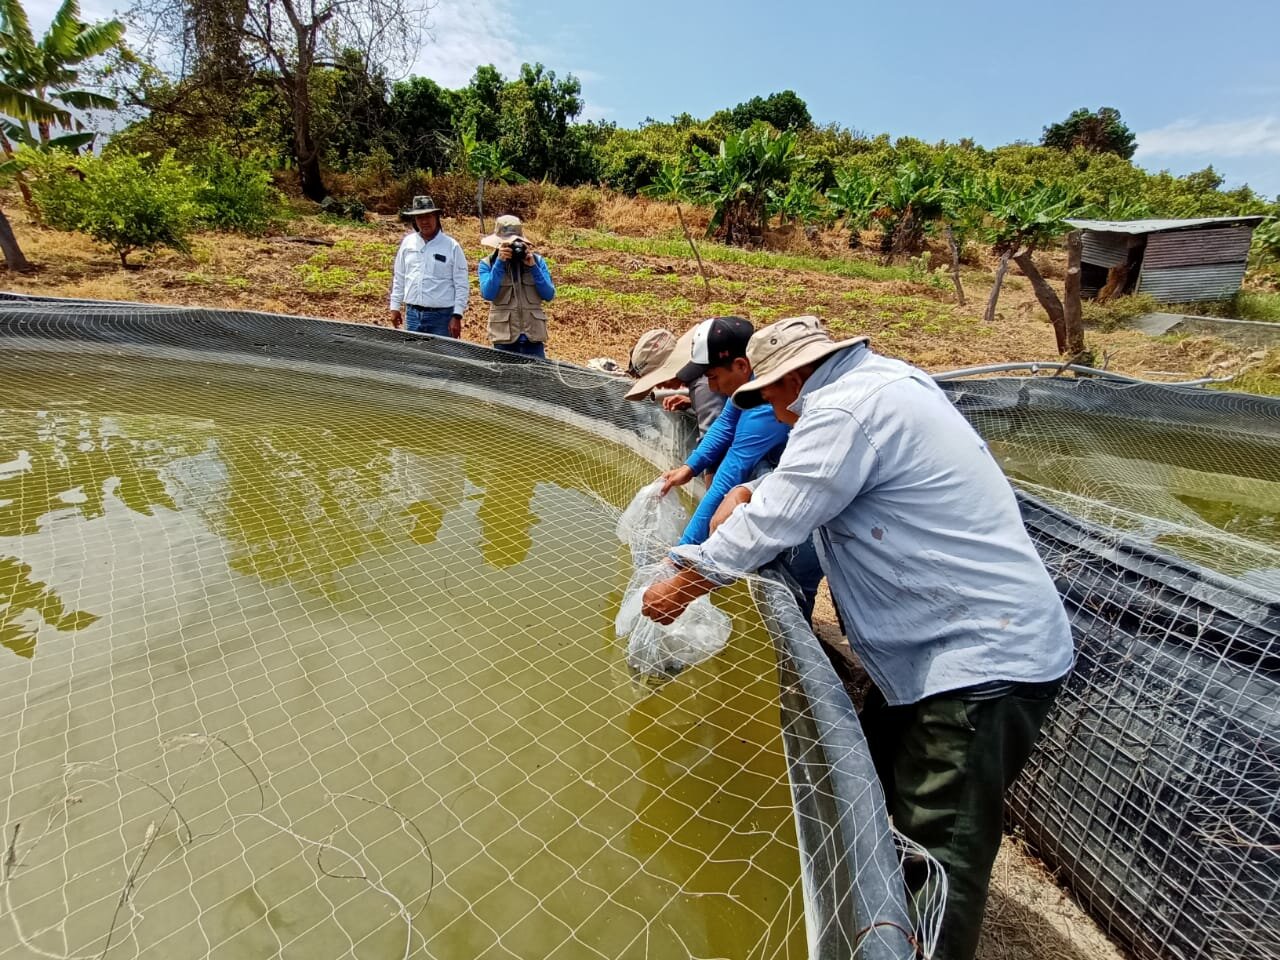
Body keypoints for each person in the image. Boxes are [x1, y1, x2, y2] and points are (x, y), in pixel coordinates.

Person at [640, 315, 1074, 960]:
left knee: (942, 849)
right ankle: (871, 914)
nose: (774, 413)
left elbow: (781, 518)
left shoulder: (844, 407)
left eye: (769, 395)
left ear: (794, 379)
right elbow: (821, 480)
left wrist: (684, 580)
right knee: (874, 788)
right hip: (943, 652)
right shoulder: (882, 384)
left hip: (978, 661)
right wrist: (753, 487)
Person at [654, 316, 822, 621]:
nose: (711, 387)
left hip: (815, 506)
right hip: (788, 480)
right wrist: (690, 468)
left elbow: (731, 473)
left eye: (714, 376)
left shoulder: (767, 401)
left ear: (742, 366)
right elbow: (725, 423)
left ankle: (801, 636)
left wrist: (680, 556)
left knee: (797, 583)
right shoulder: (750, 384)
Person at [388, 195, 468, 337]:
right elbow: (399, 277)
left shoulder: (451, 246)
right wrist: (395, 307)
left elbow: (461, 284)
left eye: (428, 216)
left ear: (436, 217)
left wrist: (457, 315)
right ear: (415, 220)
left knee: (441, 352)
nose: (424, 221)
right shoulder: (408, 243)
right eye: (420, 217)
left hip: (442, 318)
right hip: (412, 316)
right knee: (413, 351)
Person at [624, 327, 725, 438]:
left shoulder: (703, 385)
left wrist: (701, 399)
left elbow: (715, 442)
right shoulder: (701, 376)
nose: (659, 386)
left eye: (658, 378)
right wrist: (694, 402)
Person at [478, 215, 556, 359]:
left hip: (533, 336)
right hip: (504, 337)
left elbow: (549, 294)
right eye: (507, 244)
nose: (512, 247)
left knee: (536, 374)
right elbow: (488, 293)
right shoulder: (487, 263)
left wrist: (533, 267)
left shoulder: (537, 261)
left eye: (515, 243)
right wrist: (499, 264)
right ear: (498, 244)